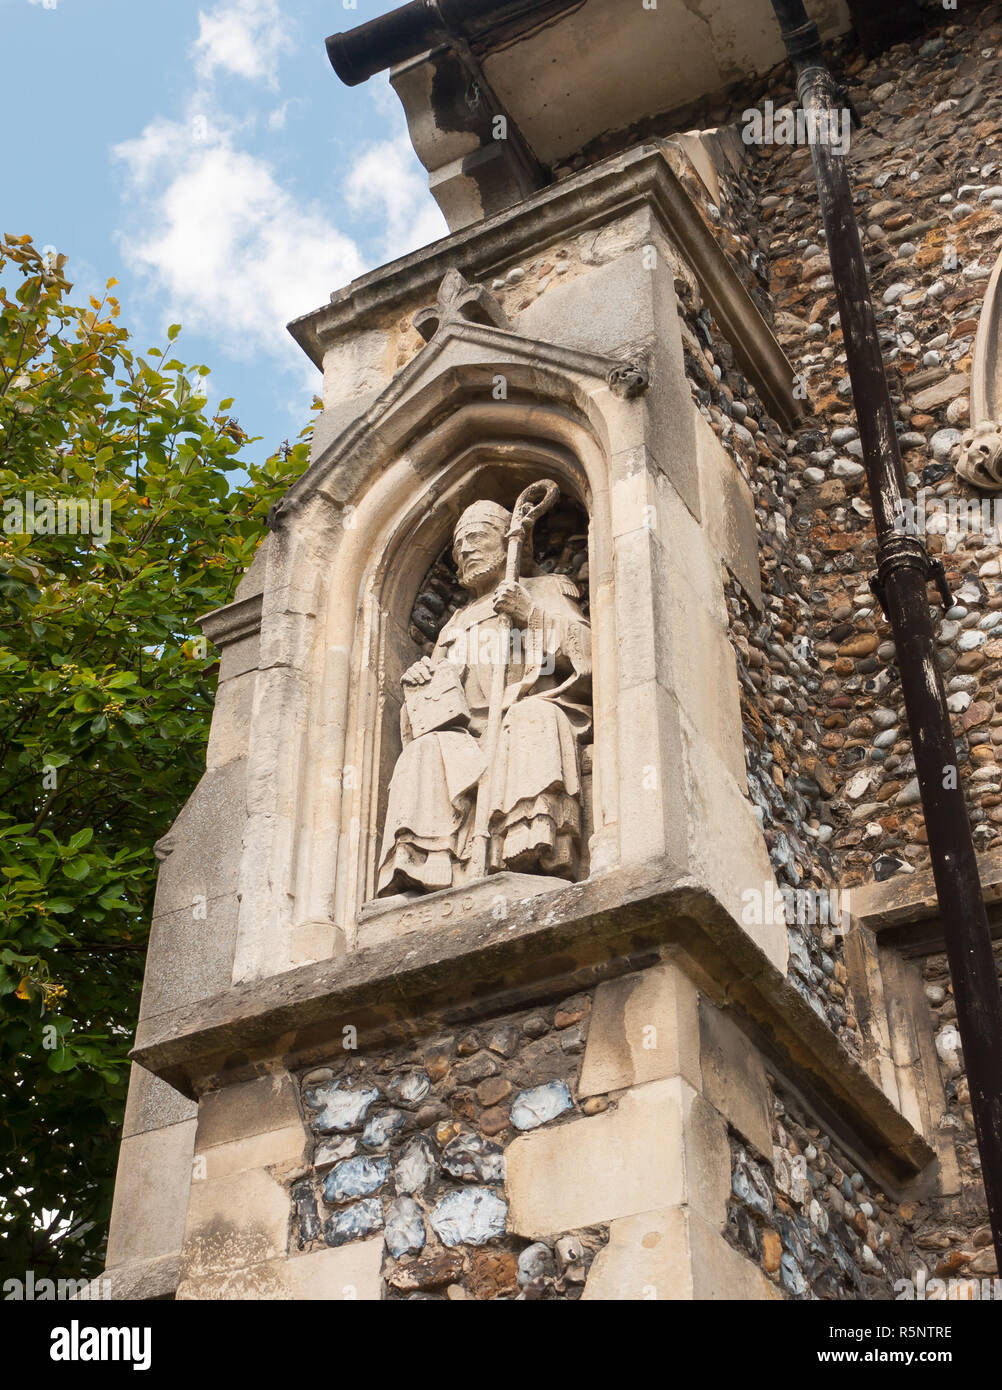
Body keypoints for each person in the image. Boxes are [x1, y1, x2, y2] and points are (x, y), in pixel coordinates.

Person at [376, 497, 592, 896]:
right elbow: (438, 698)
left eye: (475, 538)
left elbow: (588, 655)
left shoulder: (545, 589)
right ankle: (429, 868)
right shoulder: (455, 623)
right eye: (458, 546)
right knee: (424, 751)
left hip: (525, 709)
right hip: (469, 733)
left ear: (509, 542)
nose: (465, 551)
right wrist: (422, 679)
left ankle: (523, 846)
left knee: (529, 720)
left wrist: (530, 613)